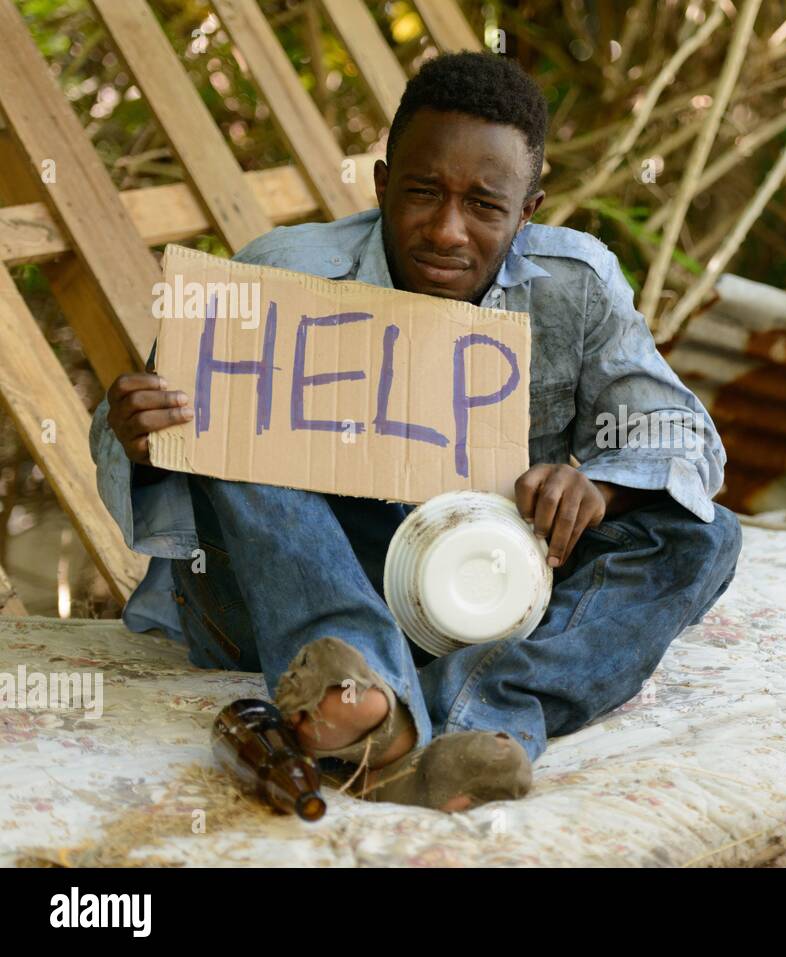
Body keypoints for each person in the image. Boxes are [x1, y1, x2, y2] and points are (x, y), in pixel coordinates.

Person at [90, 51, 741, 812]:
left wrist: (597, 484)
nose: (446, 230)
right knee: (241, 421)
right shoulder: (281, 276)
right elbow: (147, 459)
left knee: (704, 533)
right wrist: (140, 435)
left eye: (485, 207)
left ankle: (461, 720)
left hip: (476, 592)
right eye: (422, 193)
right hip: (290, 585)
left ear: (528, 210)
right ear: (380, 184)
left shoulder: (577, 285)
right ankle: (354, 693)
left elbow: (679, 434)